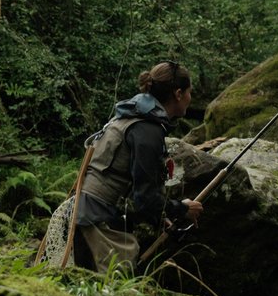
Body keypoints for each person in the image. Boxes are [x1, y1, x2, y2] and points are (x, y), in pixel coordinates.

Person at [72, 61, 203, 273]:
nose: (190, 98)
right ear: (178, 94)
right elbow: (146, 199)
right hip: (94, 224)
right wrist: (183, 209)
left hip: (82, 213)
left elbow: (133, 188)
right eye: (189, 92)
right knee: (114, 291)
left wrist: (162, 218)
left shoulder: (130, 117)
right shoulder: (148, 130)